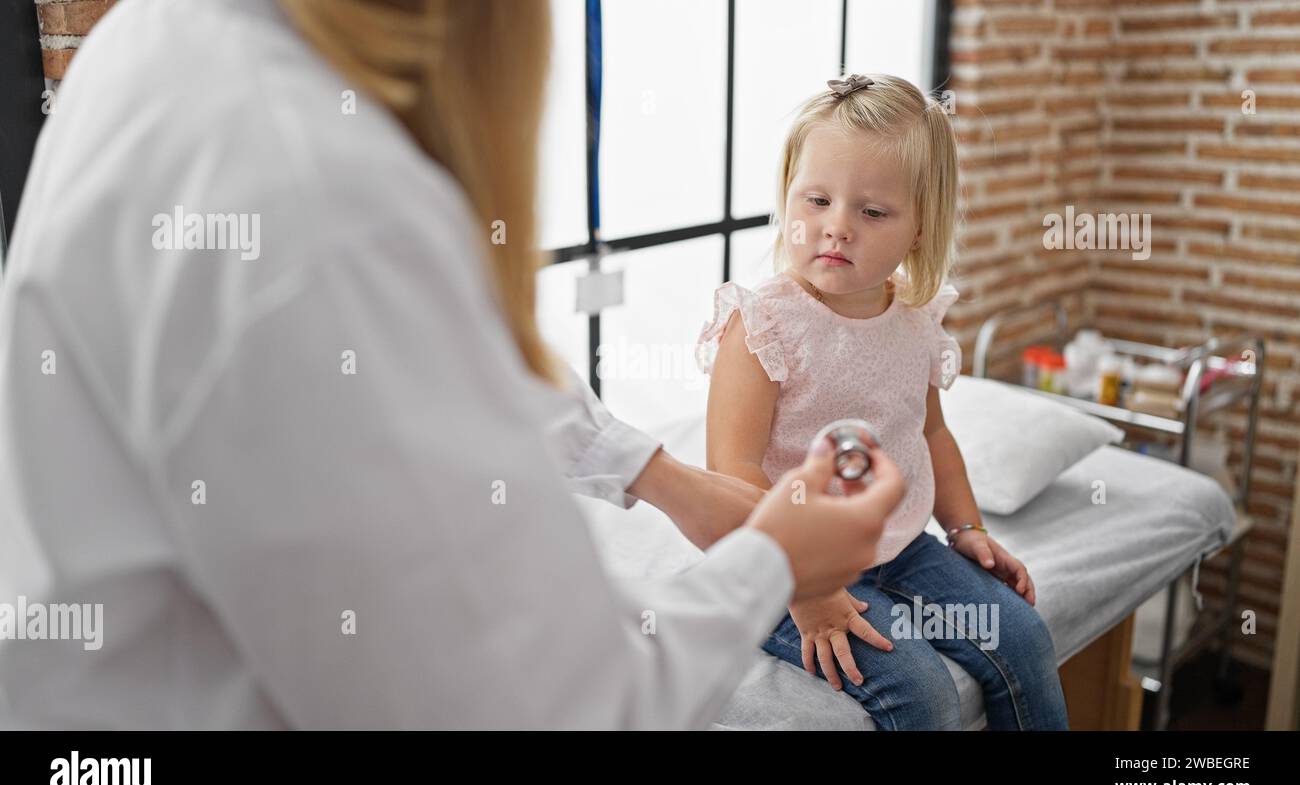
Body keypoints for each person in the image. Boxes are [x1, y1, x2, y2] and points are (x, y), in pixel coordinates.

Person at [0, 0, 904, 729]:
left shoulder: (160, 41)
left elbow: (439, 355)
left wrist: (658, 475)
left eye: (874, 212)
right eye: (818, 198)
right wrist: (773, 560)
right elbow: (559, 702)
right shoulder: (315, 196)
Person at [698, 74, 1068, 730]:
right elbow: (735, 475)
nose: (834, 228)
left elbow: (929, 434)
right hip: (780, 561)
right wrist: (807, 590)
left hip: (901, 544)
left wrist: (967, 528)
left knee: (1024, 638)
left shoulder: (916, 318)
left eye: (871, 213)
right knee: (924, 690)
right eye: (815, 200)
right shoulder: (760, 325)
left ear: (922, 228)